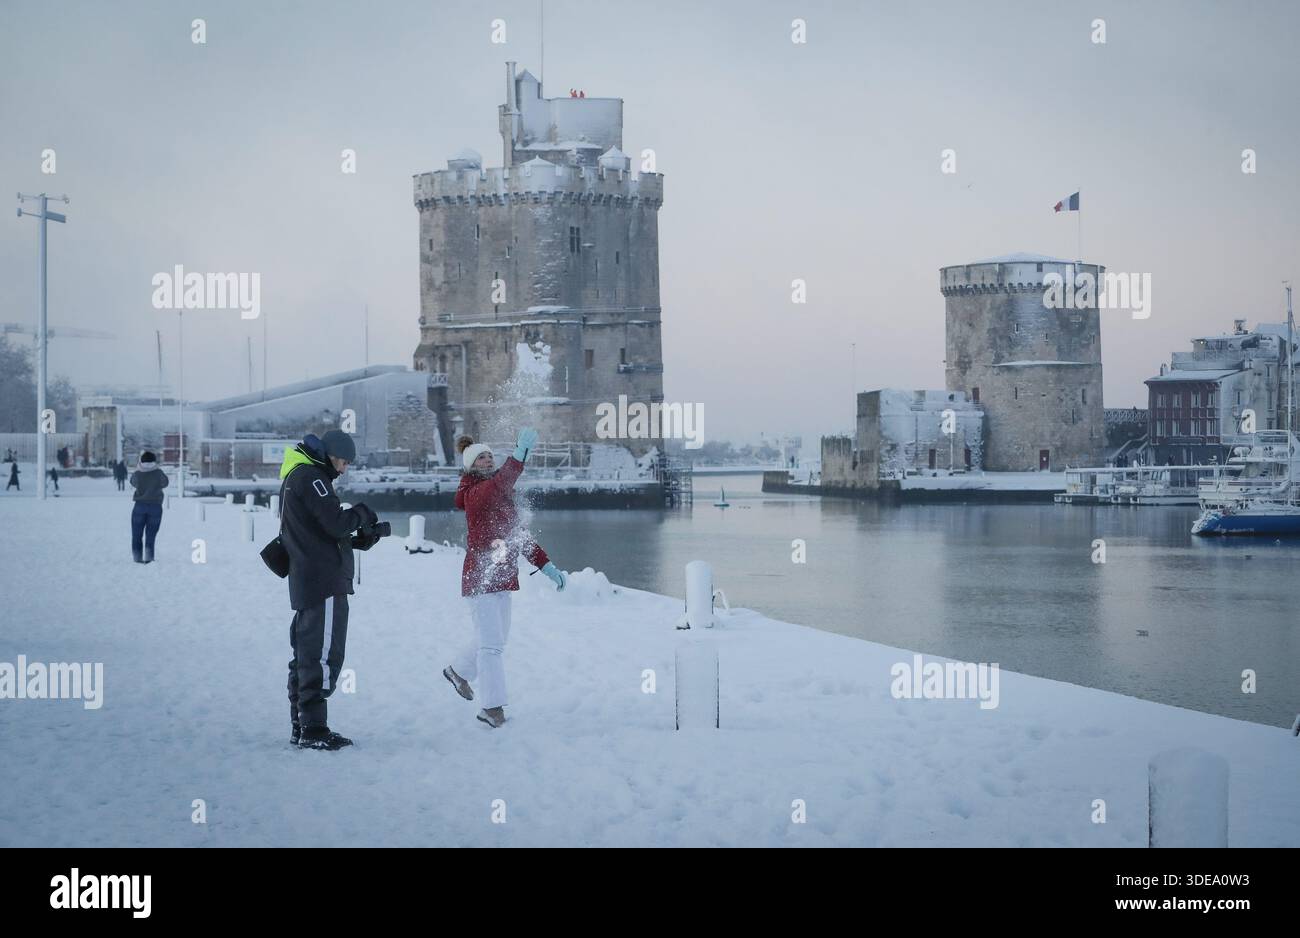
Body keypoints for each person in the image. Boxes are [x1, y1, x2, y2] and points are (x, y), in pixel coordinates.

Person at [443, 428, 566, 728]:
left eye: (489, 456)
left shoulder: (501, 497)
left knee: (497, 638)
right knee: (491, 647)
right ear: (470, 465)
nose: (487, 460)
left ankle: (458, 671)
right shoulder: (474, 494)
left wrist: (546, 566)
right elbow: (501, 482)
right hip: (481, 579)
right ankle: (492, 708)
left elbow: (520, 537)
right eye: (480, 457)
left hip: (503, 579)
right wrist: (520, 455)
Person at [278, 430, 385, 751]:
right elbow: (335, 522)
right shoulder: (311, 478)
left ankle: (302, 724)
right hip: (322, 580)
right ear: (328, 454)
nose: (343, 469)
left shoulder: (298, 476)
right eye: (342, 461)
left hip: (310, 577)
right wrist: (363, 513)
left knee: (306, 652)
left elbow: (319, 531)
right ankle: (314, 729)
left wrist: (358, 540)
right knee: (323, 655)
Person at [129, 451, 168, 562]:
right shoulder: (158, 472)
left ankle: (137, 558)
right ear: (154, 461)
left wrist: (138, 469)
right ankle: (149, 559)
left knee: (136, 535)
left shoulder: (138, 473)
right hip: (155, 506)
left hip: (139, 506)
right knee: (151, 536)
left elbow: (133, 482)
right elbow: (165, 483)